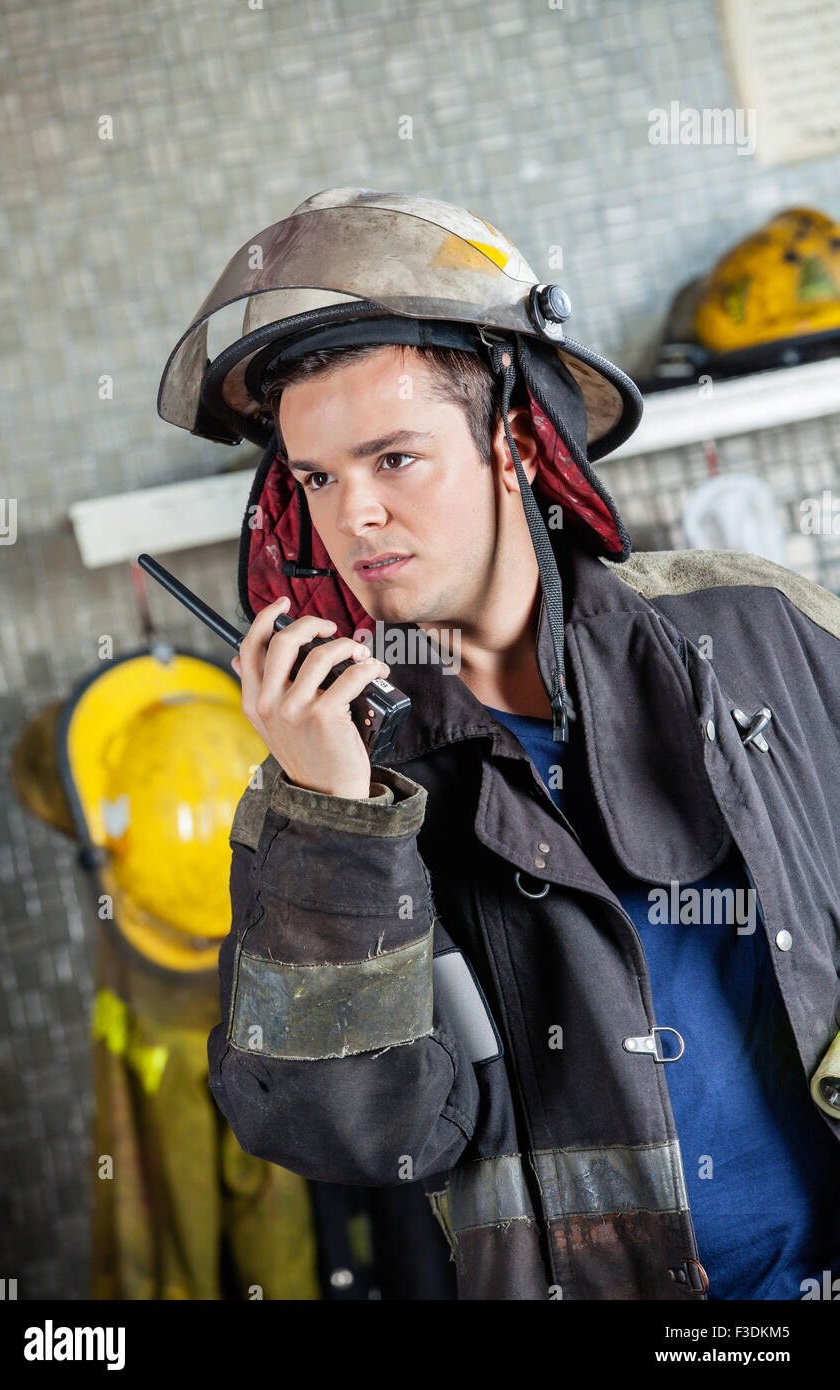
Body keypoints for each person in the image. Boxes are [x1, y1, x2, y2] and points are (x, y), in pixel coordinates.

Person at [158, 188, 840, 1301]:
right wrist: (332, 818)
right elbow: (359, 1133)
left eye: (392, 458)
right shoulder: (334, 778)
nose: (352, 516)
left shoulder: (759, 632)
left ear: (515, 438)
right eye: (317, 478)